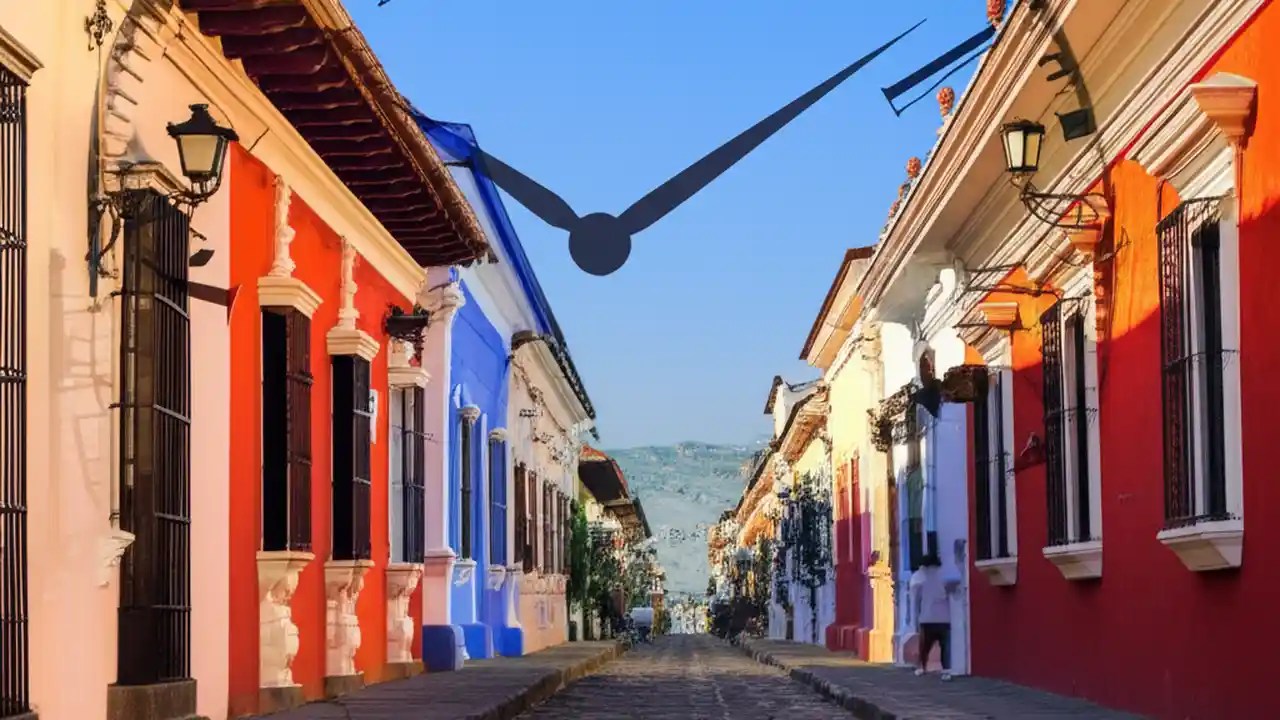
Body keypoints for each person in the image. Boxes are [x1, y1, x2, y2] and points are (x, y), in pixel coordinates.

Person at [909, 552, 957, 681]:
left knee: (925, 646)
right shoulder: (944, 577)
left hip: (927, 617)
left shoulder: (920, 579)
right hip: (944, 617)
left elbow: (916, 601)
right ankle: (946, 670)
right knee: (945, 646)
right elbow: (952, 591)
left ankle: (921, 667)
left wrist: (915, 621)